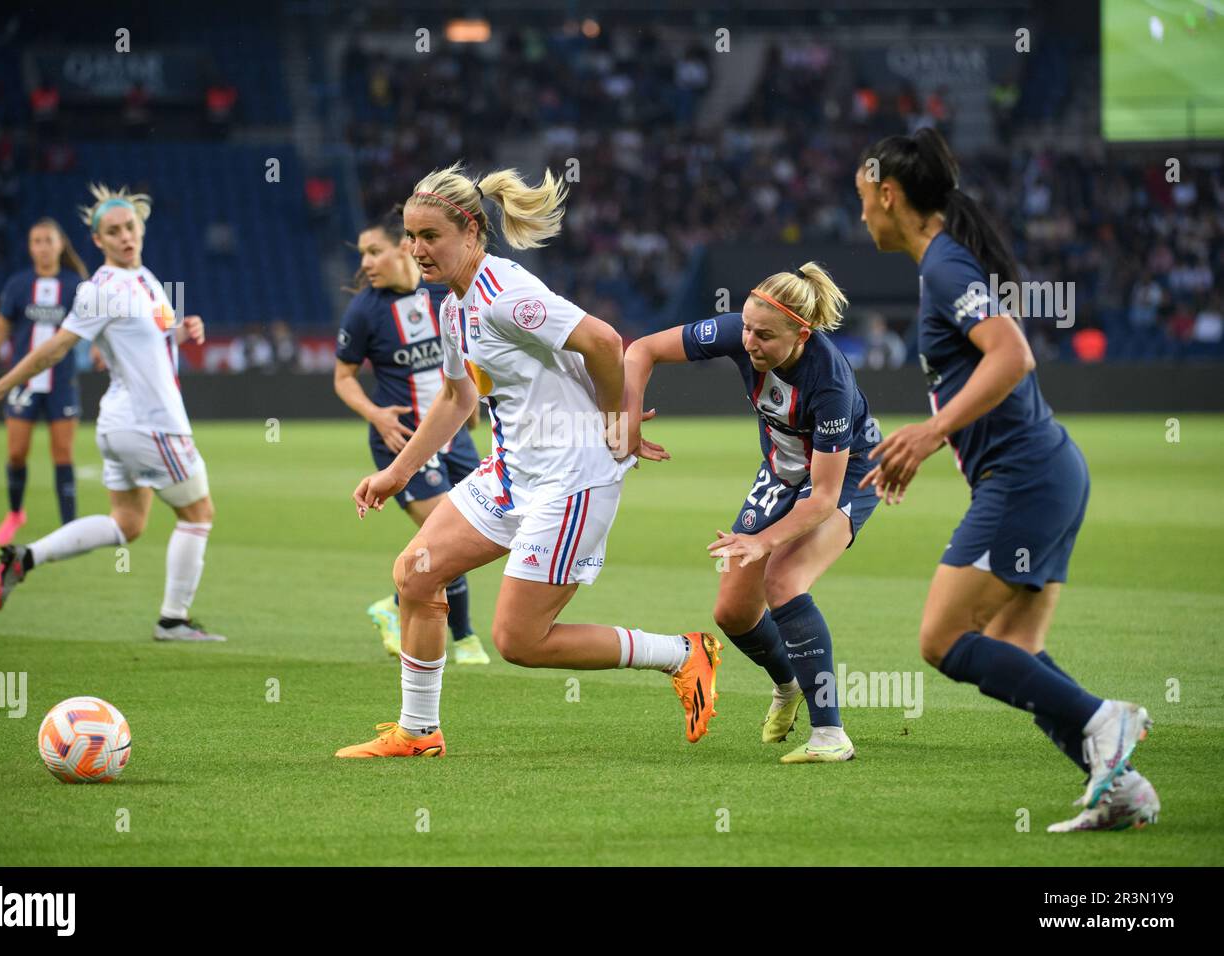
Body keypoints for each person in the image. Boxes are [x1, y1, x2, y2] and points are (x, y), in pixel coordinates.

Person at [339, 163, 720, 759]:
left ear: (470, 231)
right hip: (513, 473)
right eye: (410, 237)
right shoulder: (453, 307)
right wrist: (397, 473)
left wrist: (616, 417)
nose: (416, 250)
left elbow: (603, 341)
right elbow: (456, 397)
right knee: (415, 573)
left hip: (572, 480)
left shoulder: (504, 297)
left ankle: (682, 653)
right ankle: (418, 733)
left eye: (429, 236)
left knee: (519, 639)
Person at [854, 128, 1158, 831]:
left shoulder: (944, 268)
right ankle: (1119, 785)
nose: (862, 212)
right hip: (1047, 472)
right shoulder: (946, 265)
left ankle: (1103, 720)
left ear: (890, 195)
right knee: (1016, 649)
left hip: (1023, 476)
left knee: (940, 638)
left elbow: (1012, 354)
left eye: (864, 198)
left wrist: (930, 434)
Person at [624, 263, 880, 763]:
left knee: (784, 579)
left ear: (801, 334)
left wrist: (765, 543)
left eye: (764, 335)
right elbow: (641, 350)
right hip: (782, 472)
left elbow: (824, 498)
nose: (748, 342)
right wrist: (628, 417)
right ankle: (788, 684)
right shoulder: (743, 333)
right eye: (745, 327)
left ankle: (831, 735)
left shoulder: (830, 384)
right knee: (733, 613)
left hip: (846, 476)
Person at [0, 184, 225, 643]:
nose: (125, 236)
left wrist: (185, 329)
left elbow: (160, 338)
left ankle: (24, 558)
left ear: (140, 228)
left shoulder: (147, 278)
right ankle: (173, 620)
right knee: (199, 514)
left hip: (121, 424)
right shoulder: (100, 289)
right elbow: (54, 349)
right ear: (97, 241)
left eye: (130, 227)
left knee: (128, 524)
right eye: (113, 231)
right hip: (152, 421)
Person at [333, 204, 488, 664]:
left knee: (481, 528)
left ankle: (394, 606)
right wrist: (376, 414)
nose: (364, 263)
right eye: (362, 254)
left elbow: (460, 359)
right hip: (400, 439)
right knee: (446, 537)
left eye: (373, 251)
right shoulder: (363, 311)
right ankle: (464, 638)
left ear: (404, 246)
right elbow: (342, 378)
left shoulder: (441, 294)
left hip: (454, 434)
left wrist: (470, 408)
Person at [0, 219, 88, 546]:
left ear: (61, 245)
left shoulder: (76, 286)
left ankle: (69, 528)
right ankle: (16, 513)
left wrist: (101, 351)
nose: (43, 247)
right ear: (29, 247)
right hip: (23, 384)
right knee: (17, 453)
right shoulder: (19, 286)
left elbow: (96, 326)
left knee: (63, 454)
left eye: (48, 240)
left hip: (62, 382)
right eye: (36, 241)